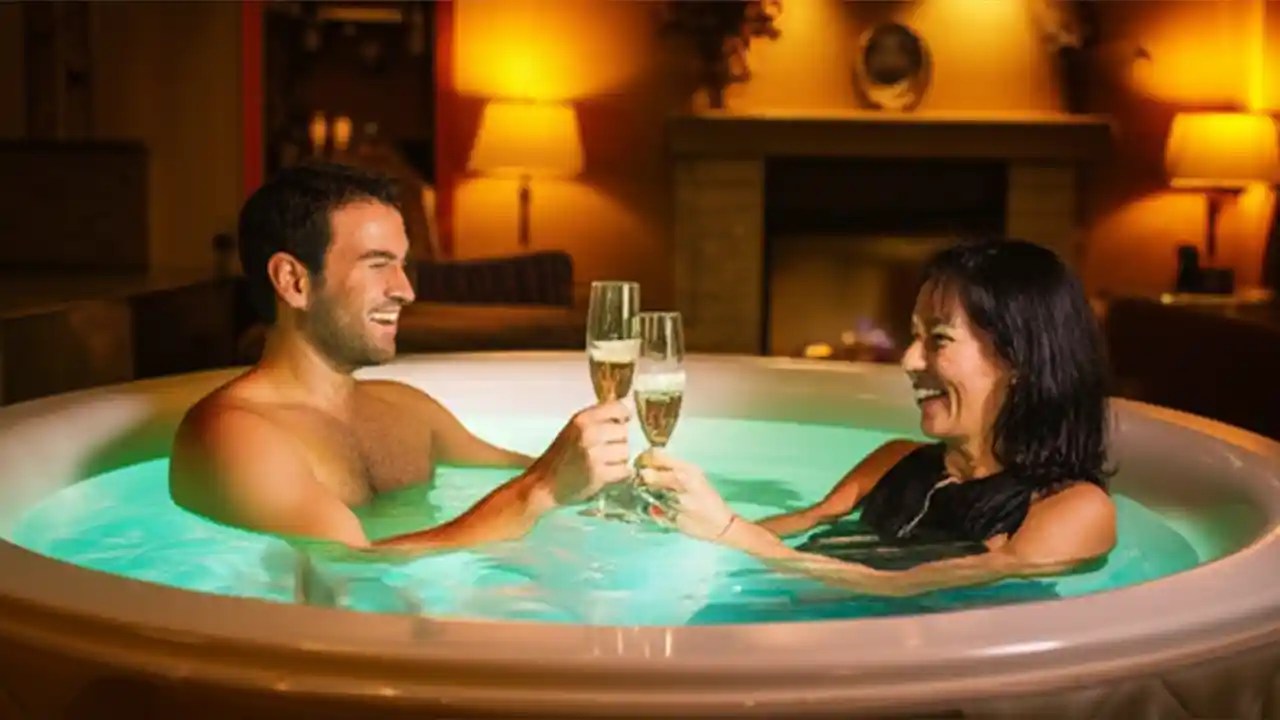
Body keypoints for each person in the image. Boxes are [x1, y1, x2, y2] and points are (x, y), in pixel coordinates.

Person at [169, 162, 631, 549]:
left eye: (402, 264)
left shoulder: (406, 408)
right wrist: (542, 490)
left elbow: (532, 472)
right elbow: (350, 572)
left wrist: (628, 489)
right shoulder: (230, 437)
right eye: (377, 264)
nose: (405, 290)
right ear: (294, 281)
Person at [639, 238, 1117, 597]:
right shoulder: (894, 460)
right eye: (914, 337)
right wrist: (682, 521)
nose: (909, 360)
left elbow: (897, 591)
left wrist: (728, 530)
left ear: (1019, 360)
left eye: (938, 339)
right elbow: (801, 524)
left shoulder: (1071, 510)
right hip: (785, 614)